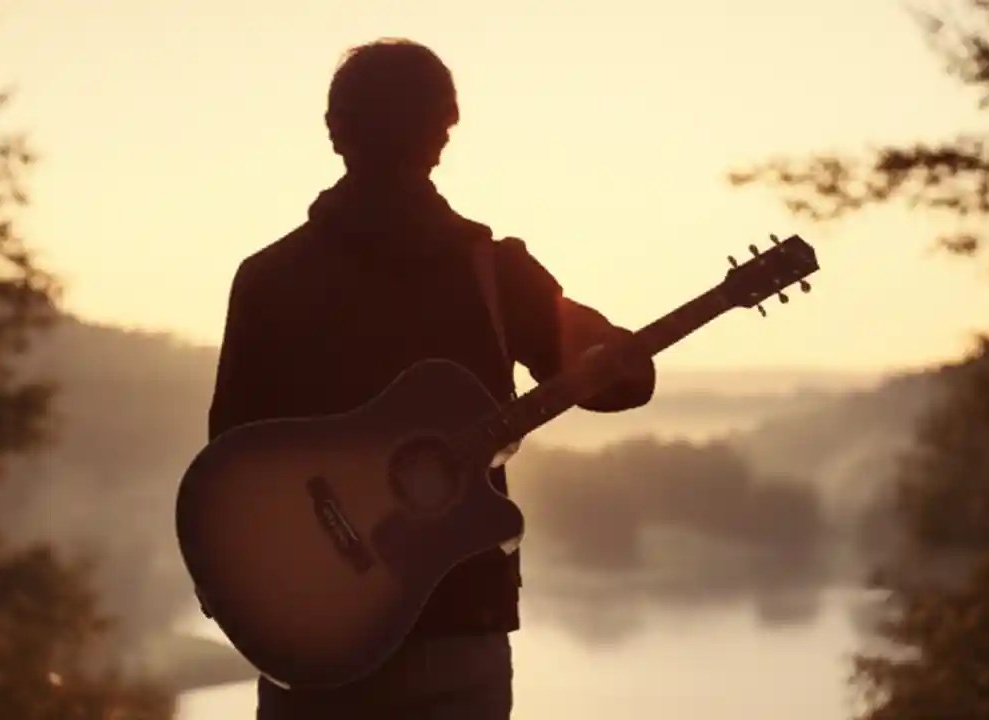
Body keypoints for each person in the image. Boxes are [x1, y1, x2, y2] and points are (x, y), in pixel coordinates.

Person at [203, 38, 657, 719]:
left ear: (334, 131)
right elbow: (626, 386)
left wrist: (263, 597)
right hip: (457, 631)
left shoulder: (269, 279)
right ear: (443, 134)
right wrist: (620, 350)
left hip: (314, 642)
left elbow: (225, 463)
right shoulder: (497, 275)